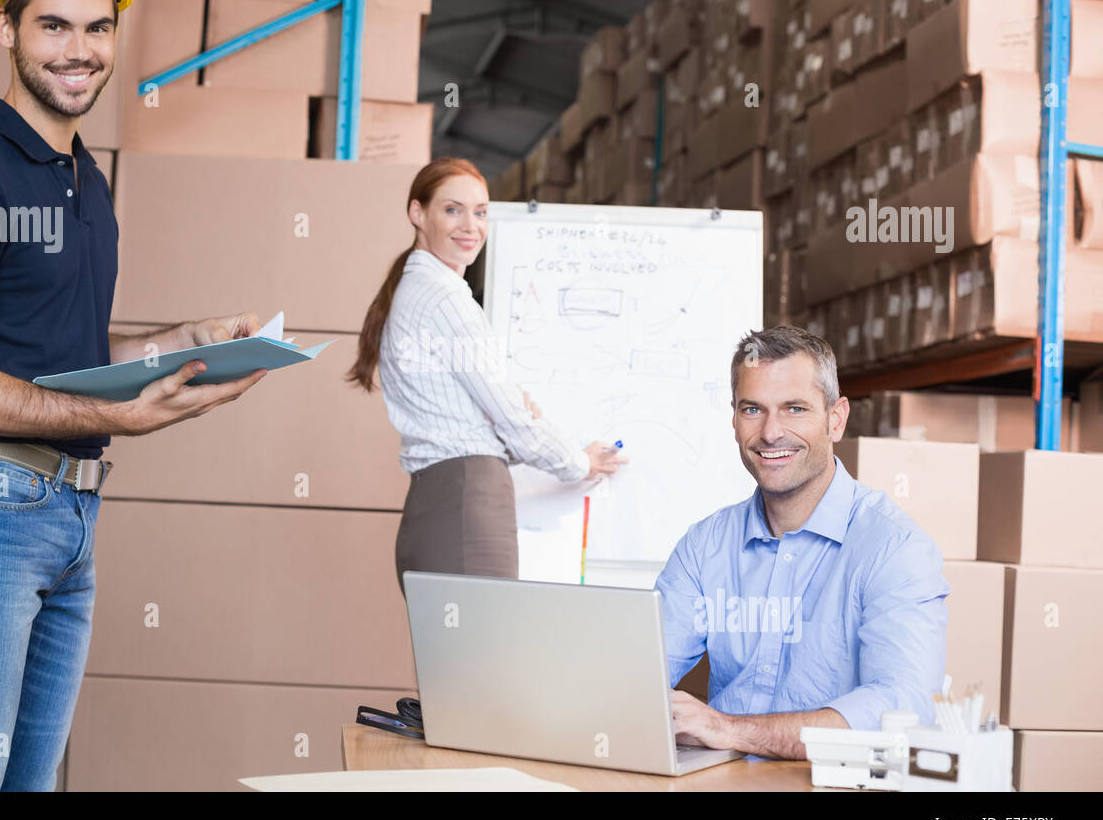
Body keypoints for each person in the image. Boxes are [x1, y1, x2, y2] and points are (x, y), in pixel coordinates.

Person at [0, 0, 268, 791]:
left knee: (24, 787)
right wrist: (114, 416)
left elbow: (61, 352)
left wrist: (178, 346)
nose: (80, 50)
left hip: (69, 516)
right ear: (7, 30)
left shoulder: (80, 178)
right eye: (54, 26)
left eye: (97, 28)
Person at [657, 326, 949, 759]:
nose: (772, 432)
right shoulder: (705, 547)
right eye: (753, 409)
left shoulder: (895, 549)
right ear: (734, 420)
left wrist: (732, 730)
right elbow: (638, 676)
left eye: (795, 409)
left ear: (836, 418)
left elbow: (903, 705)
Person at [348, 157, 627, 591]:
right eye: (453, 209)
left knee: (462, 658)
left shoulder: (417, 290)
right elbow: (512, 420)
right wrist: (578, 461)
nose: (470, 226)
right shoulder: (444, 299)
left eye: (480, 212)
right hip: (465, 507)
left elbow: (481, 417)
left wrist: (505, 418)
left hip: (442, 506)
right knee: (479, 658)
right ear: (417, 214)